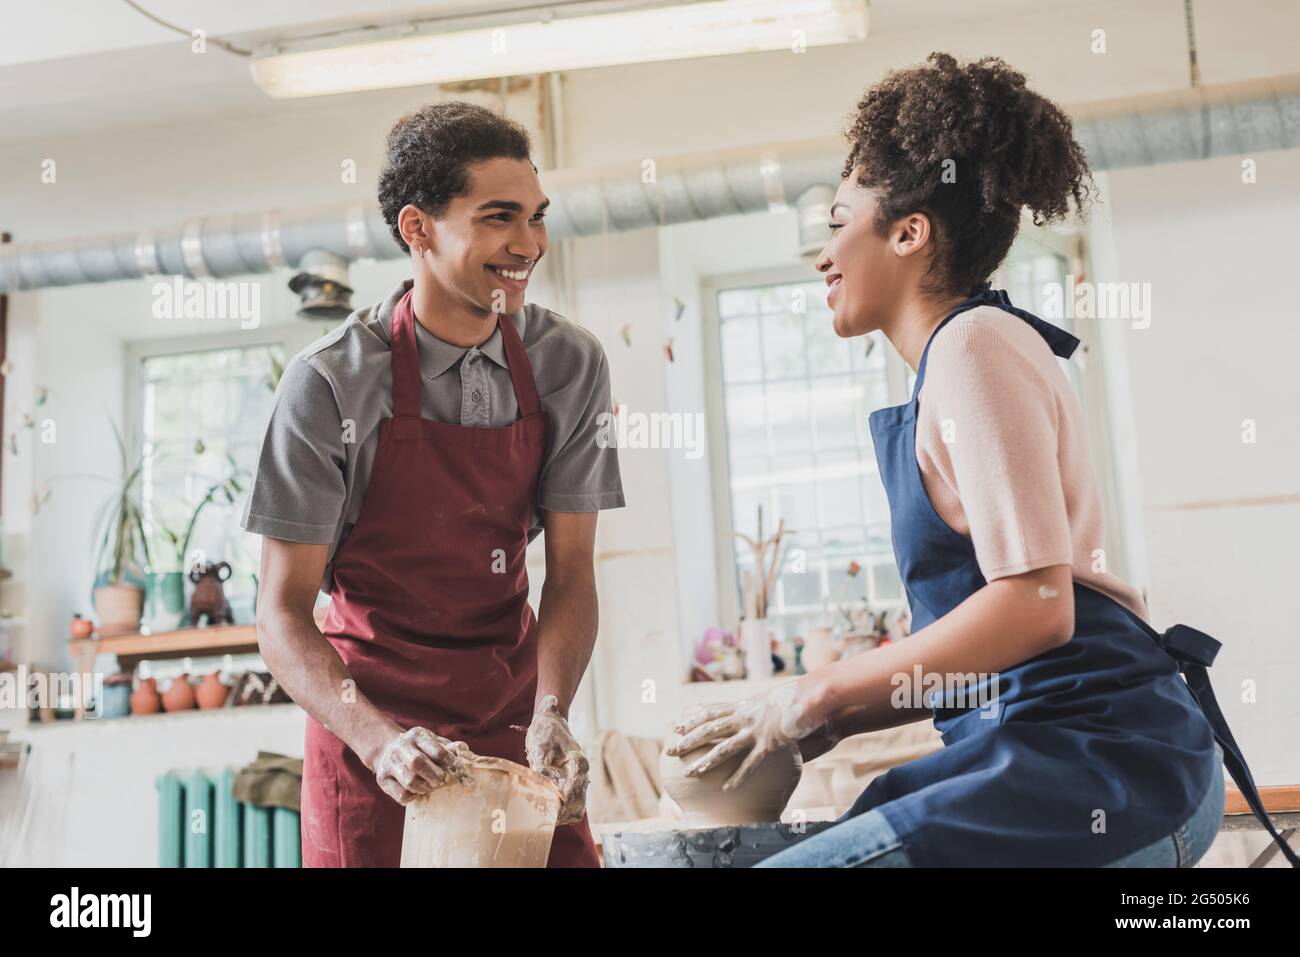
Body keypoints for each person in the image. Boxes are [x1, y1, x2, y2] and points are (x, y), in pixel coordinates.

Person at [668, 53, 1297, 868]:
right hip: (1057, 756)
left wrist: (816, 690)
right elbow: (986, 650)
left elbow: (1038, 607)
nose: (822, 256)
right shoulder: (965, 354)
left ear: (909, 232)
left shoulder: (973, 346)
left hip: (1107, 768)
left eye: (835, 221)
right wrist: (823, 720)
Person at [243, 101, 624, 867]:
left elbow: (572, 573)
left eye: (537, 217)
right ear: (417, 229)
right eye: (498, 218)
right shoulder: (330, 385)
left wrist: (552, 707)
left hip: (513, 724)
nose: (528, 245)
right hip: (373, 733)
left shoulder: (569, 365)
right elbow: (282, 614)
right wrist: (379, 741)